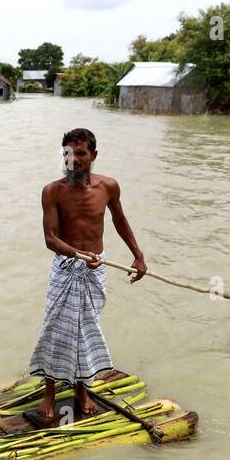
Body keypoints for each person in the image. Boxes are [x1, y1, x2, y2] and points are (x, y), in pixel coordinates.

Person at [29, 128, 147, 421]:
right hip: (66, 267)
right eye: (68, 154)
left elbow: (119, 219)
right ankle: (50, 389)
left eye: (80, 153)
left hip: (97, 269)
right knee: (55, 327)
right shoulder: (52, 191)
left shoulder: (108, 187)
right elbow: (50, 239)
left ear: (93, 155)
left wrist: (138, 255)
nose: (74, 160)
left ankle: (82, 389)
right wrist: (78, 255)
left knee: (86, 328)